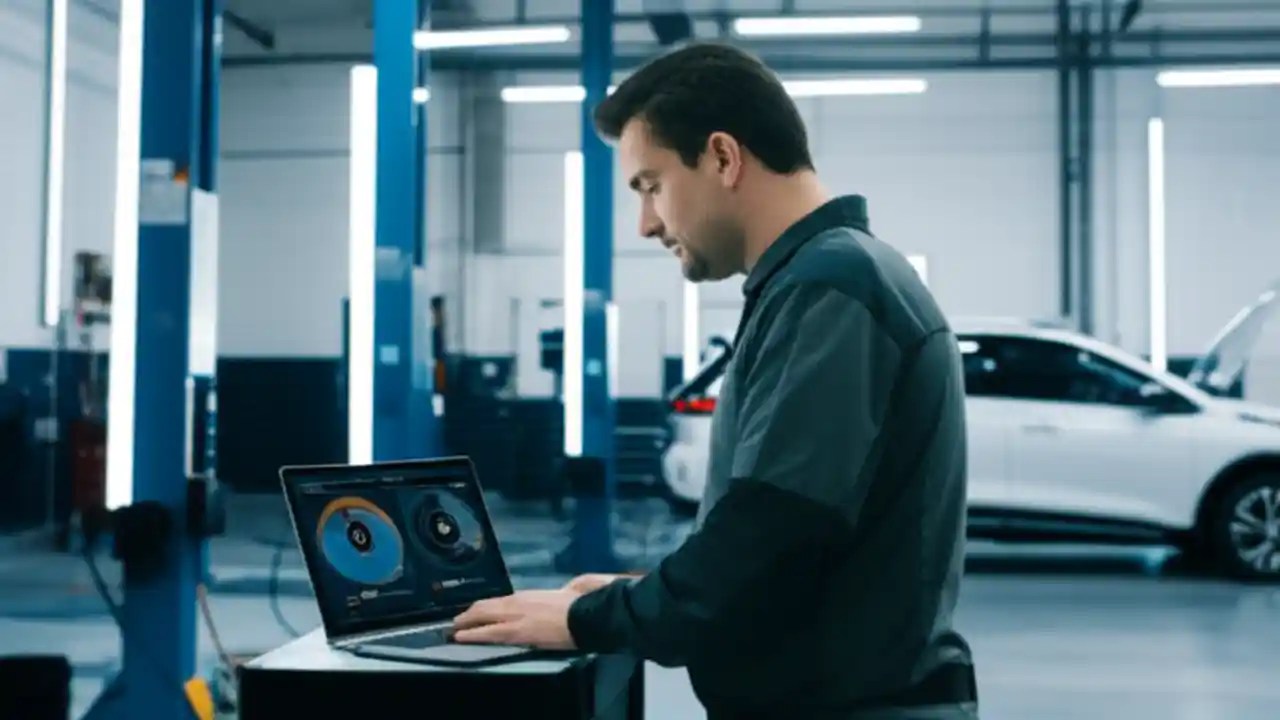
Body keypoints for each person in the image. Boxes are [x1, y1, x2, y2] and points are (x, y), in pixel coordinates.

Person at [454, 42, 978, 719]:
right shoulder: (822, 280)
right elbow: (792, 545)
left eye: (651, 186)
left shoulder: (832, 286)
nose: (646, 223)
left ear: (724, 158)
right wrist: (652, 591)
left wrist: (594, 618)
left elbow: (770, 539)